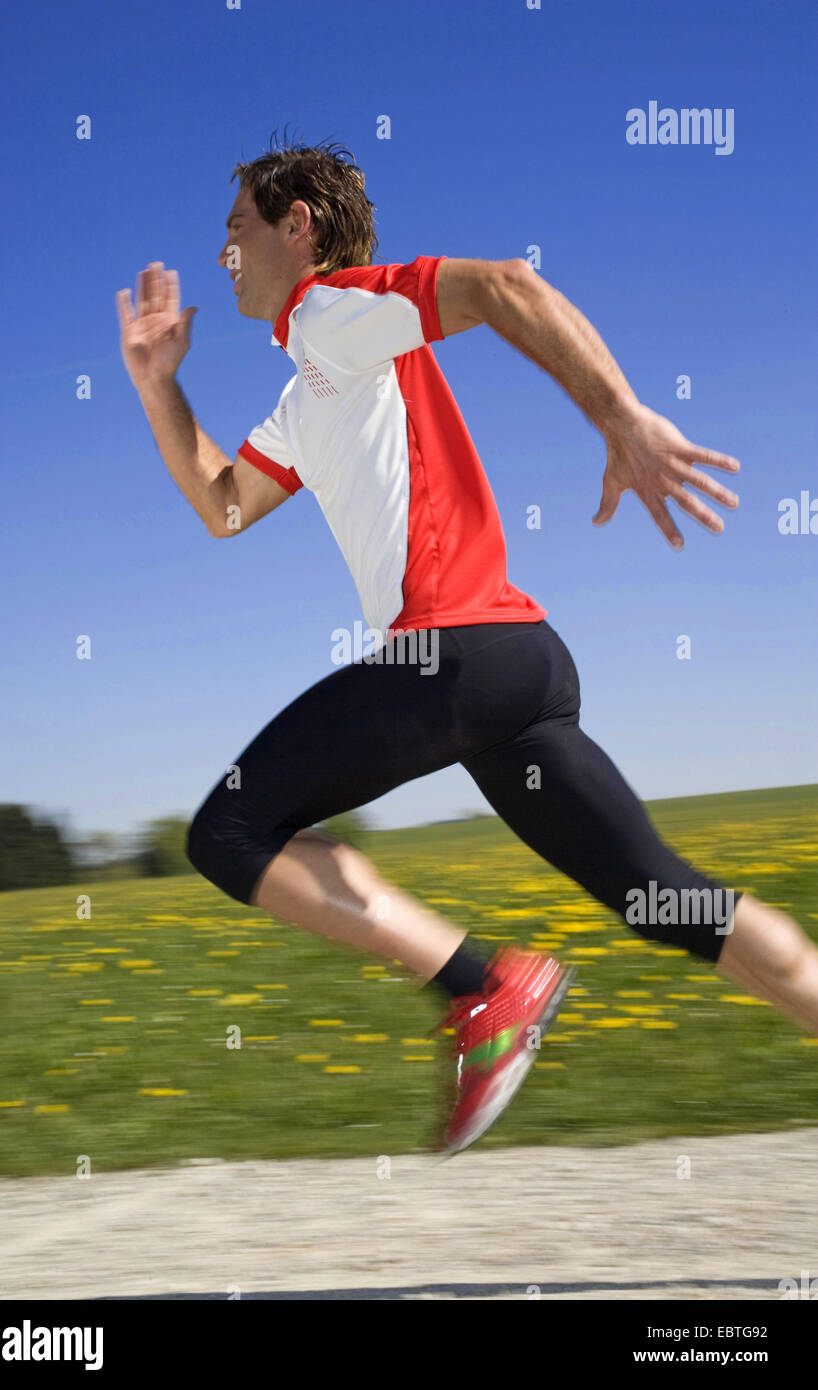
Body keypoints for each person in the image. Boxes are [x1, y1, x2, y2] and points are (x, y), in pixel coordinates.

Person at [116, 138, 818, 1155]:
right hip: (516, 670)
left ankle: (481, 985)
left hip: (453, 654)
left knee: (228, 832)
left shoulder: (331, 314)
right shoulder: (311, 385)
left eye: (235, 229)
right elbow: (224, 506)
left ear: (296, 227)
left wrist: (617, 416)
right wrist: (153, 382)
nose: (222, 250)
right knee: (667, 900)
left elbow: (502, 286)